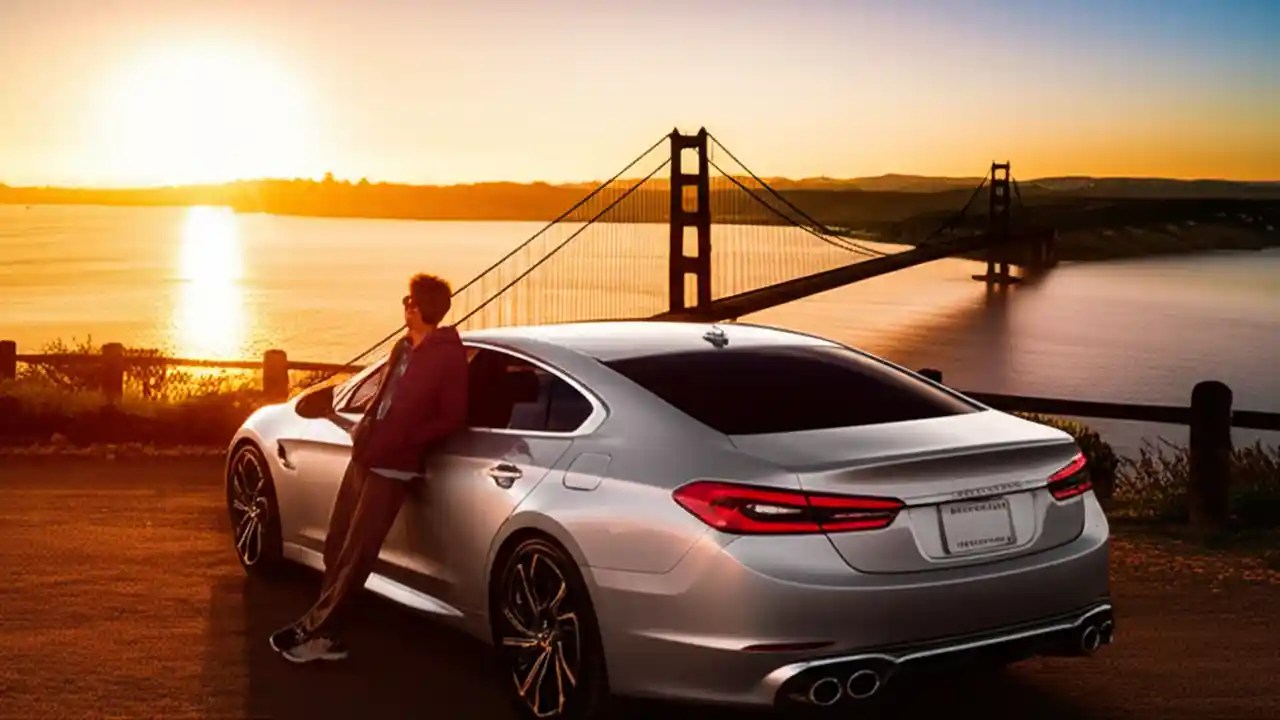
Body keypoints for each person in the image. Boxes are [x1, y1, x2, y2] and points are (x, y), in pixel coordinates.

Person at [269, 273, 469, 663]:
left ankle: (321, 633)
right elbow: (382, 397)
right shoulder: (402, 347)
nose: (404, 305)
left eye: (409, 301)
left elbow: (452, 417)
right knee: (337, 545)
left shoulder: (448, 357)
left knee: (357, 555)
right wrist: (365, 428)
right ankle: (324, 630)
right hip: (365, 455)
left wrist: (407, 439)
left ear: (423, 308)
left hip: (394, 466)